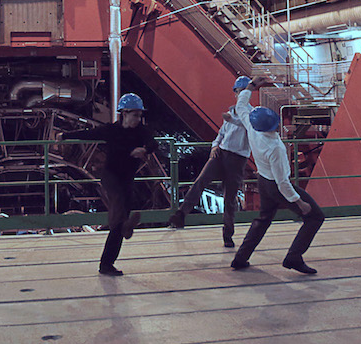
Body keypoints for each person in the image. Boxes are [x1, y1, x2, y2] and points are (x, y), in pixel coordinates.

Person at [230, 77, 326, 275]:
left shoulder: (252, 127)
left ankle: (240, 258)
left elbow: (241, 105)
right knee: (315, 217)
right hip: (275, 185)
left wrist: (252, 86)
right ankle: (293, 257)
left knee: (263, 219)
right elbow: (283, 183)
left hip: (262, 181)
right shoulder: (275, 148)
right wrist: (300, 203)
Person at [71, 93, 159, 276]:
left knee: (119, 226)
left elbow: (153, 143)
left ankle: (107, 264)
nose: (138, 119)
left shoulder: (142, 131)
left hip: (127, 178)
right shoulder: (111, 130)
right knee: (119, 205)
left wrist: (144, 149)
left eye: (139, 115)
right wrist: (64, 136)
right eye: (135, 115)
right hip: (110, 176)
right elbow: (89, 134)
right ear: (124, 113)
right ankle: (123, 225)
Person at [168, 75, 252, 248]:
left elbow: (247, 126)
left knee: (230, 199)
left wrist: (232, 120)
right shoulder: (231, 113)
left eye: (242, 91)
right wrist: (214, 147)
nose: (239, 95)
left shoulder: (251, 113)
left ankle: (228, 236)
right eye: (237, 92)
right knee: (200, 182)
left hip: (237, 159)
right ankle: (181, 215)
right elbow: (221, 134)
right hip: (221, 154)